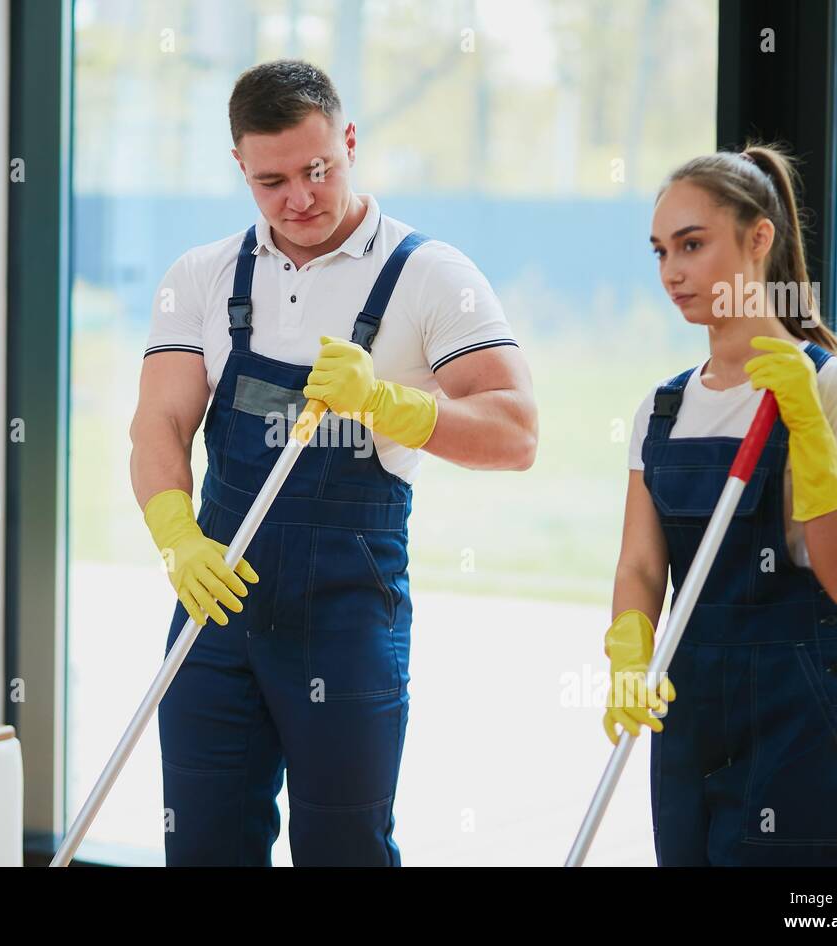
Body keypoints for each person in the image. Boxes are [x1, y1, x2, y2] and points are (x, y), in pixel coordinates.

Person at [129, 59, 538, 866]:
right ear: (240, 169)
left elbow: (517, 432)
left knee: (343, 846)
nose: (300, 199)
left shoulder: (431, 277)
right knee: (204, 843)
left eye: (318, 170)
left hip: (347, 617)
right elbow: (157, 428)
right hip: (219, 608)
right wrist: (177, 537)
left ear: (349, 142)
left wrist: (389, 403)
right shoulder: (203, 277)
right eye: (271, 181)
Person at [604, 144, 837, 865]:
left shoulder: (834, 389)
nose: (672, 272)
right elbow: (642, 565)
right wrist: (628, 655)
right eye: (661, 251)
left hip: (799, 707)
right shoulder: (663, 409)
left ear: (759, 237)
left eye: (693, 245)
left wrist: (807, 432)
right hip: (690, 700)